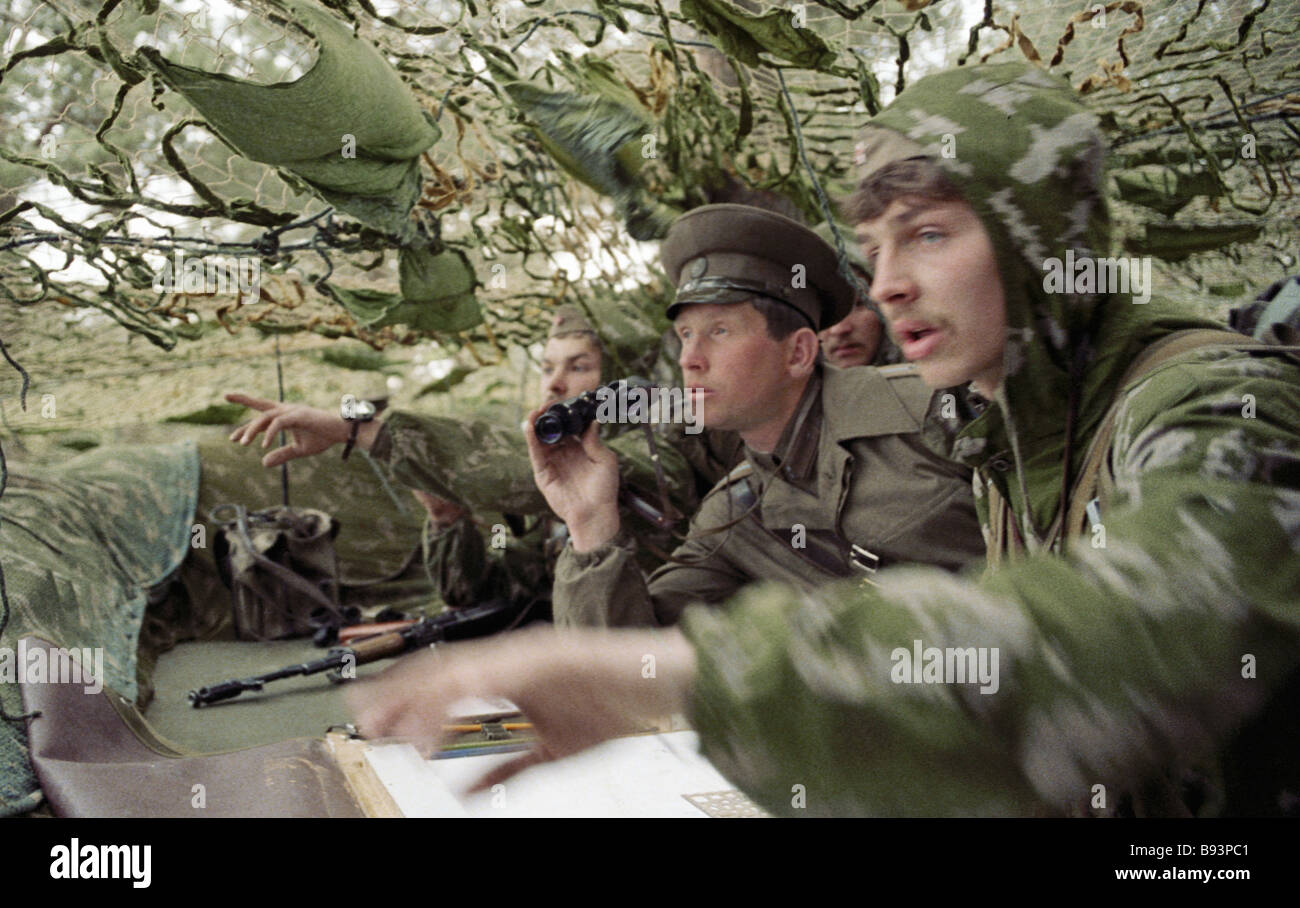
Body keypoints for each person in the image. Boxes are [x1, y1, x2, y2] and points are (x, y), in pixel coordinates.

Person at [350, 61, 1300, 817]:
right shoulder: (1000, 430)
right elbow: (633, 670)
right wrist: (596, 534)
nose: (886, 285)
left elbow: (1157, 628)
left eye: (925, 234)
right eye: (876, 250)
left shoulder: (1202, 400)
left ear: (1040, 239)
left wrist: (716, 681)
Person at [527, 204, 984, 628]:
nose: (691, 359)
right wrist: (589, 524)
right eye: (685, 335)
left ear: (798, 352)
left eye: (719, 331)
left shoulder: (938, 410)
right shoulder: (735, 516)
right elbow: (627, 668)